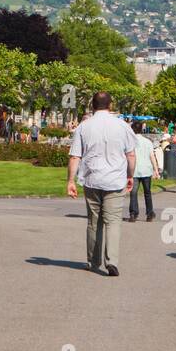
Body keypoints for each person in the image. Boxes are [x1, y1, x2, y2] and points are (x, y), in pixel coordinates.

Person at [66, 92, 136, 277]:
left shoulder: (84, 126)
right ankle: (111, 260)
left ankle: (93, 260)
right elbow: (131, 154)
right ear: (110, 105)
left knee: (93, 222)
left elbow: (75, 156)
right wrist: (130, 175)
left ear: (92, 105)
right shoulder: (122, 126)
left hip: (92, 178)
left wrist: (70, 180)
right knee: (113, 222)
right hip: (115, 179)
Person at [124, 122, 161, 222]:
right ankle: (149, 213)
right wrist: (156, 169)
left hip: (134, 170)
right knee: (147, 193)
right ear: (142, 129)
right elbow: (152, 156)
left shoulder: (129, 142)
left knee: (133, 193)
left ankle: (133, 213)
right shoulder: (147, 141)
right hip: (146, 169)